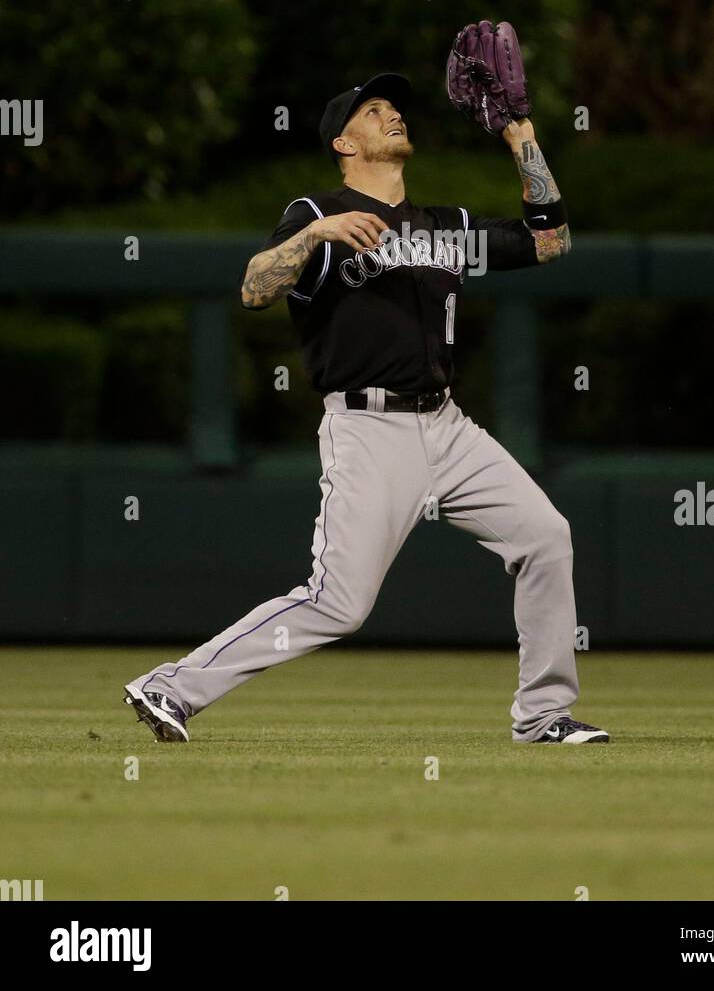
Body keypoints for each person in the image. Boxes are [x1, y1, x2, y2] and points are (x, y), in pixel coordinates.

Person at [123, 68, 609, 746]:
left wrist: (520, 137)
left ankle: (543, 716)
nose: (391, 116)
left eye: (394, 109)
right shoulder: (319, 214)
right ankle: (170, 686)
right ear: (343, 144)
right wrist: (312, 240)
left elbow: (551, 239)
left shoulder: (446, 229)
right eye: (373, 111)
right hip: (368, 428)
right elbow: (254, 289)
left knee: (546, 538)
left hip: (448, 427)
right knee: (339, 604)